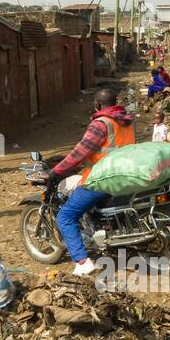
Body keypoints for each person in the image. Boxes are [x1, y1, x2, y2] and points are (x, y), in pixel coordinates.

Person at [47, 88, 135, 276]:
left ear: (97, 104)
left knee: (65, 216)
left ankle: (82, 261)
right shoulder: (125, 121)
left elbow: (80, 153)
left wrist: (55, 172)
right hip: (125, 176)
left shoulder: (101, 124)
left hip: (102, 178)